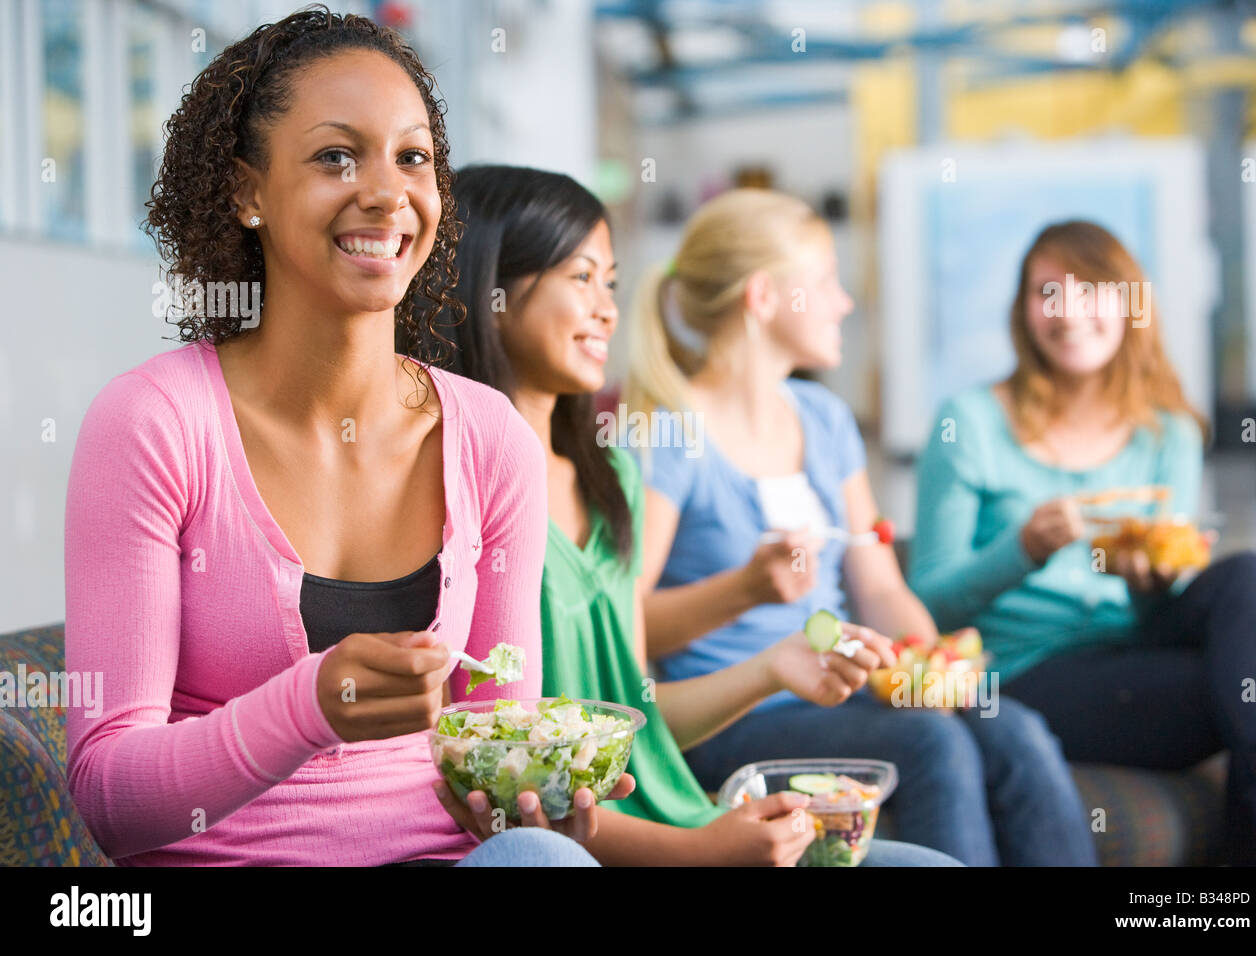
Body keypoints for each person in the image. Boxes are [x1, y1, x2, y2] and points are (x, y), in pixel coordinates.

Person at [62, 6, 625, 867]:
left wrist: (537, 795)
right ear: (248, 190)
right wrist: (310, 706)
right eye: (336, 156)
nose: (386, 192)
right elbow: (108, 798)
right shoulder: (155, 424)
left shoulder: (489, 439)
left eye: (414, 158)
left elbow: (497, 737)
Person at [409, 164, 961, 866]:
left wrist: (774, 667)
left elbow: (637, 713)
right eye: (581, 279)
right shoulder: (446, 492)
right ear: (490, 293)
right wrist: (701, 851)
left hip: (678, 818)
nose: (608, 309)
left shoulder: (611, 485)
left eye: (610, 283)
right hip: (600, 845)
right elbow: (516, 796)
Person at [623, 188, 1097, 866]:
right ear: (763, 298)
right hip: (738, 716)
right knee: (931, 746)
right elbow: (629, 622)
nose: (844, 303)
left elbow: (876, 582)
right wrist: (746, 589)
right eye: (824, 282)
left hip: (842, 696)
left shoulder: (824, 420)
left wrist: (931, 666)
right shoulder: (669, 436)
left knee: (1014, 728)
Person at [909, 219, 1256, 867]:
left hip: (1132, 644)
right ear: (1022, 310)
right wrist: (1023, 548)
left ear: (1128, 305)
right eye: (1047, 293)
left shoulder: (1167, 432)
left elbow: (1153, 603)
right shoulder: (969, 423)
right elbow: (926, 608)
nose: (1069, 313)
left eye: (1090, 291)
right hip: (1025, 670)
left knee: (1248, 580)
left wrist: (1151, 575)